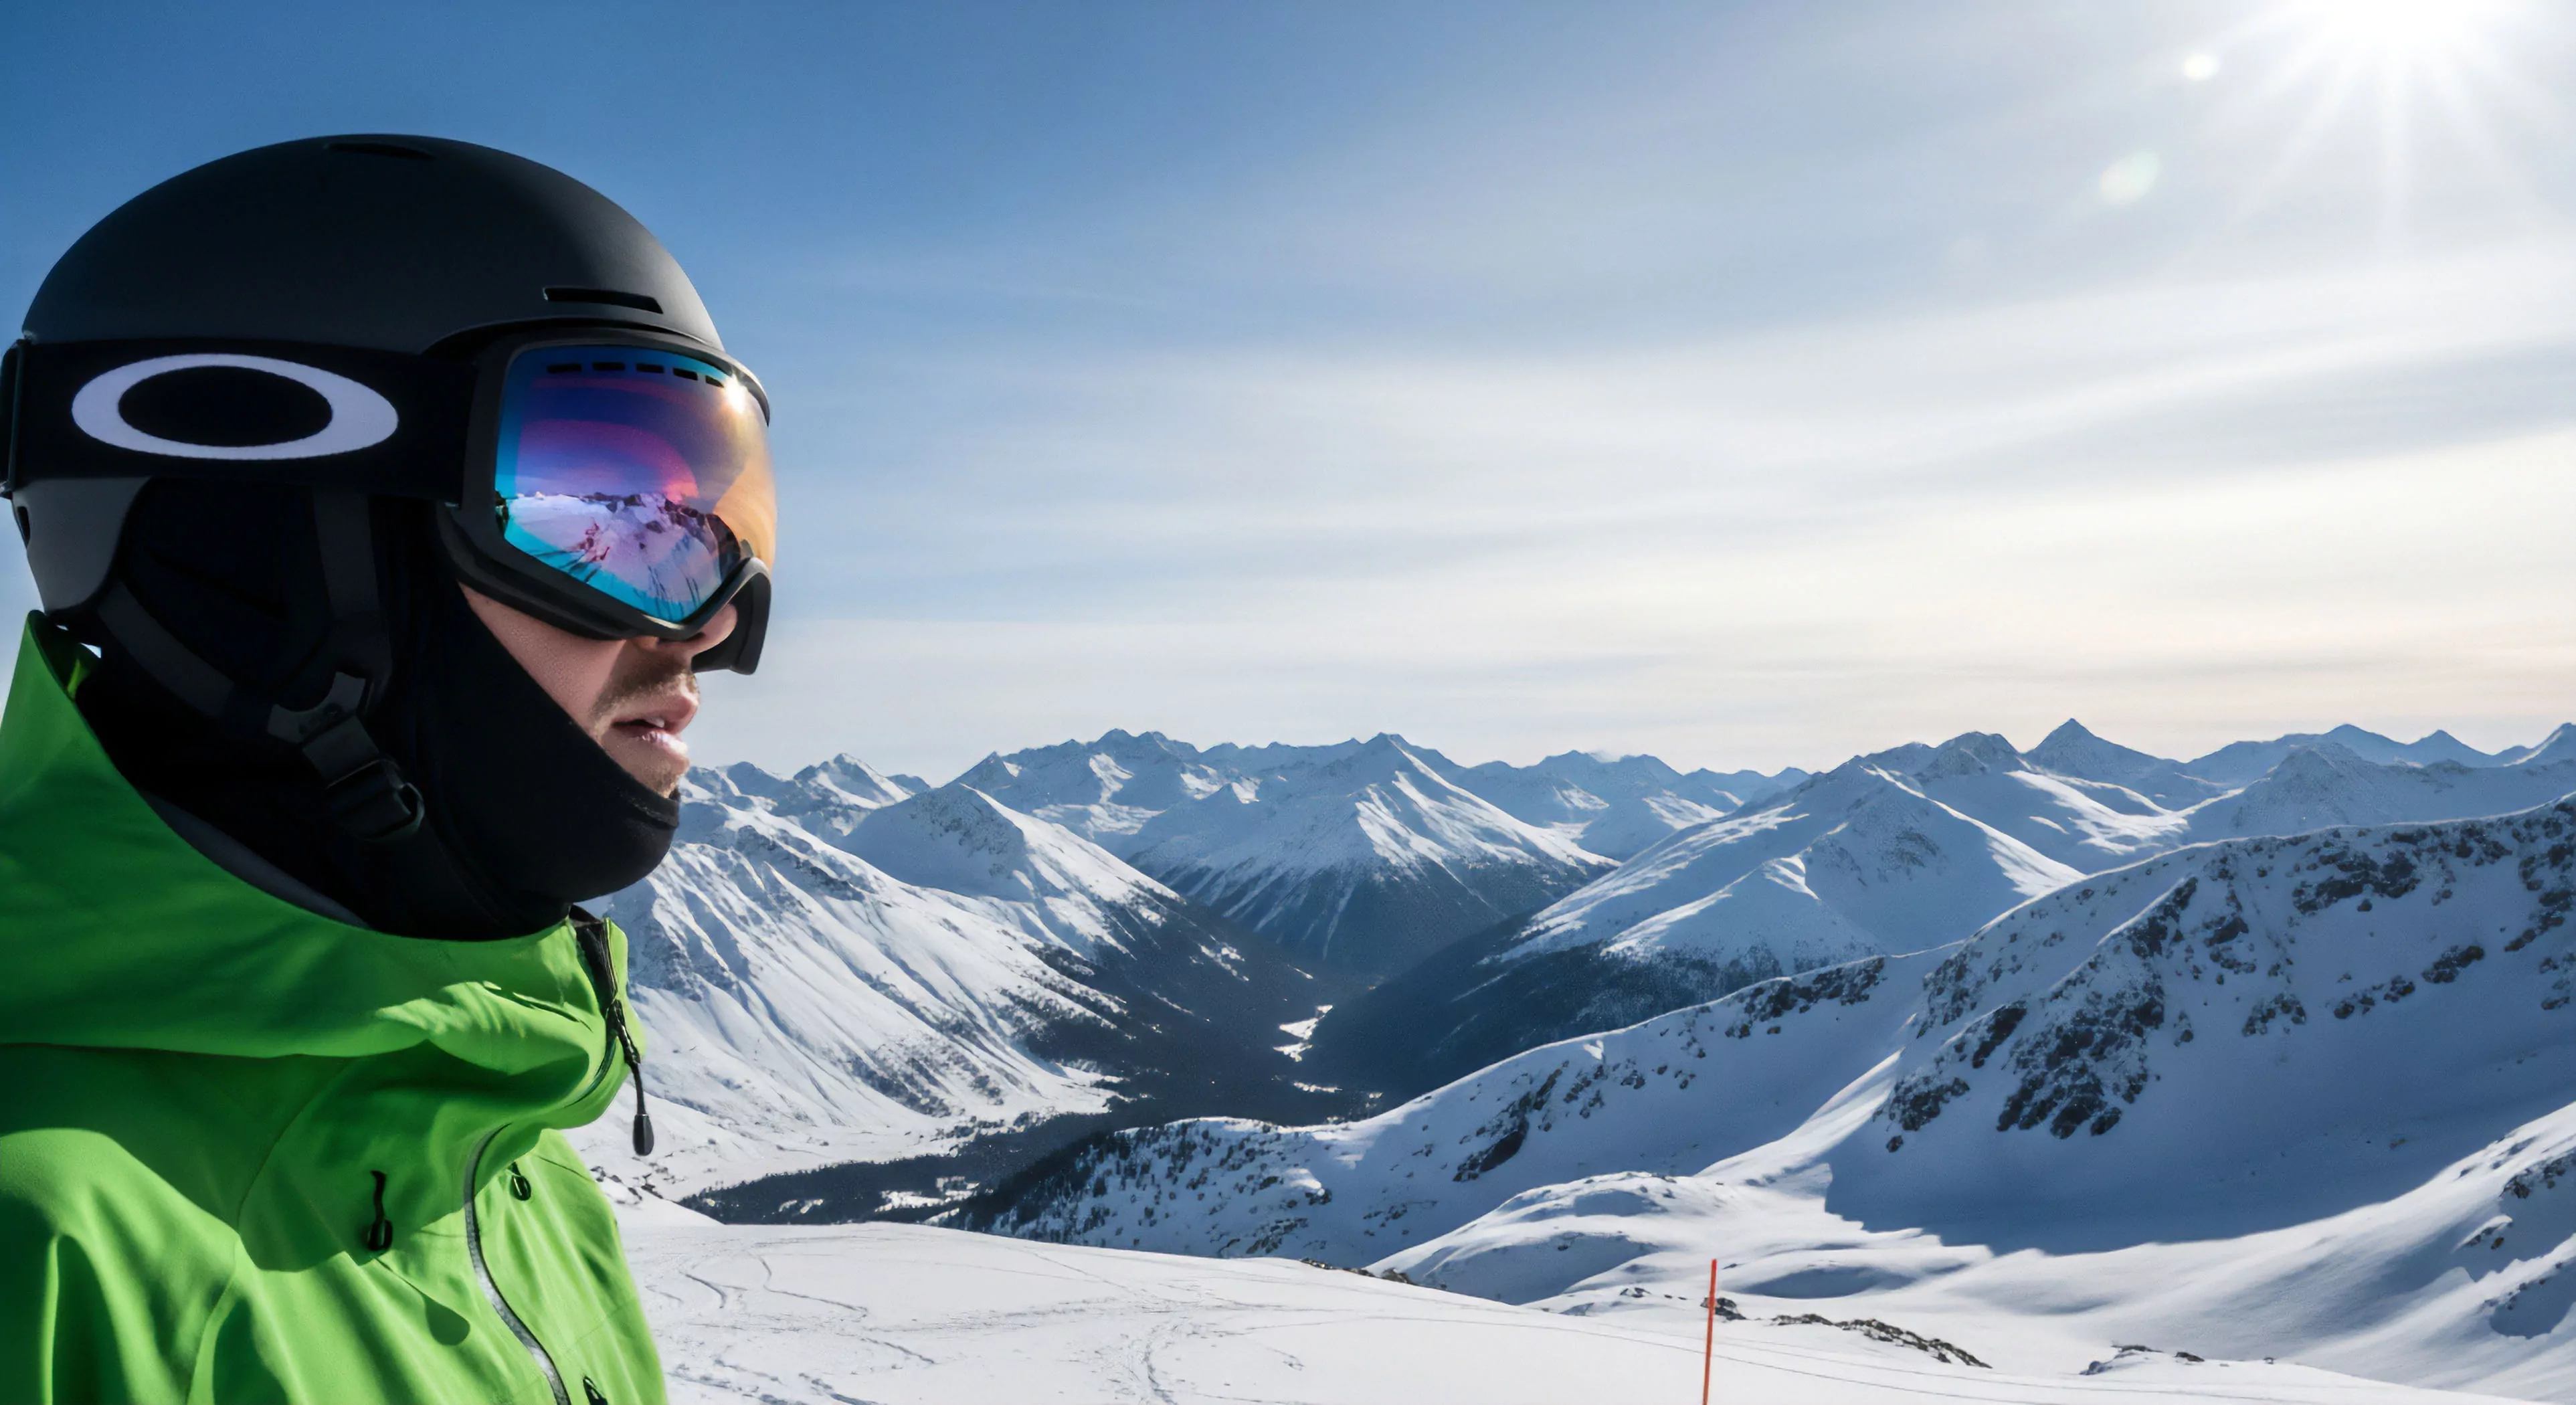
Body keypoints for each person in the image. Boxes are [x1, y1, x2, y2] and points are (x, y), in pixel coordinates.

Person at [0, 134, 777, 1404]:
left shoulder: (516, 1176)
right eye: (598, 517)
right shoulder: (40, 1250)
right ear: (259, 566)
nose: (713, 625)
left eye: (703, 527)